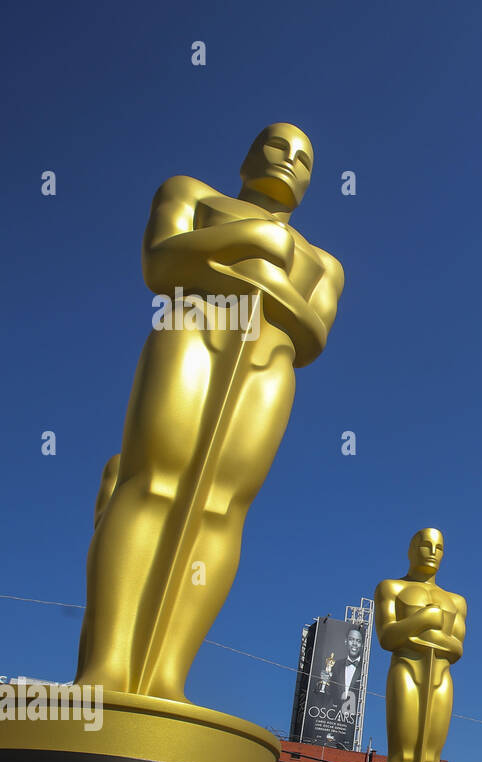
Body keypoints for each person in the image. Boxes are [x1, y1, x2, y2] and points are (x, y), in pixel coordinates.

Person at [75, 123, 345, 699]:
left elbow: (315, 334)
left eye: (304, 158)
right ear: (249, 153)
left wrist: (250, 270)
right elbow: (161, 263)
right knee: (152, 482)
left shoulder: (324, 262)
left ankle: (168, 672)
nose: (289, 160)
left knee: (223, 509)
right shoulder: (191, 194)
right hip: (192, 329)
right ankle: (108, 665)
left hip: (267, 364)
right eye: (277, 146)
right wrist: (252, 243)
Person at [374, 529, 467, 762]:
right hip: (406, 671)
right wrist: (427, 620)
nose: (432, 551)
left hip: (441, 676)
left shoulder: (456, 601)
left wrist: (414, 632)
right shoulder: (391, 588)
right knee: (404, 753)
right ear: (411, 549)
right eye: (425, 545)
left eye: (439, 547)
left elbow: (456, 647)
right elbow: (387, 636)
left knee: (430, 758)